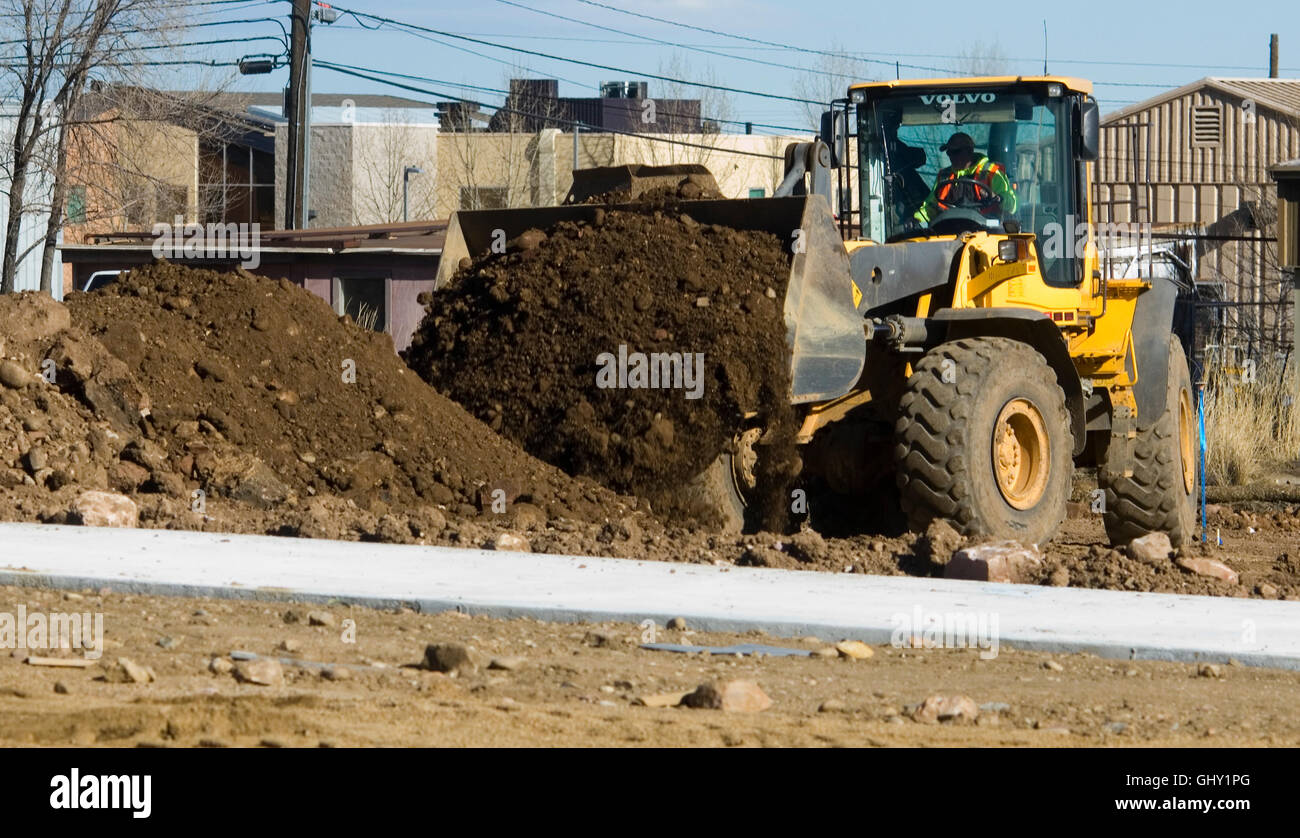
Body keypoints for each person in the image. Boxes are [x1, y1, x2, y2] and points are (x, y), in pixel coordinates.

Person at [913, 131, 1016, 225]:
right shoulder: (944, 176)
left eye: (955, 152)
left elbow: (1012, 204)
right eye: (949, 153)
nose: (951, 157)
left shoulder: (991, 172)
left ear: (969, 151)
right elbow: (930, 206)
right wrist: (916, 219)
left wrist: (998, 198)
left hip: (987, 230)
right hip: (949, 232)